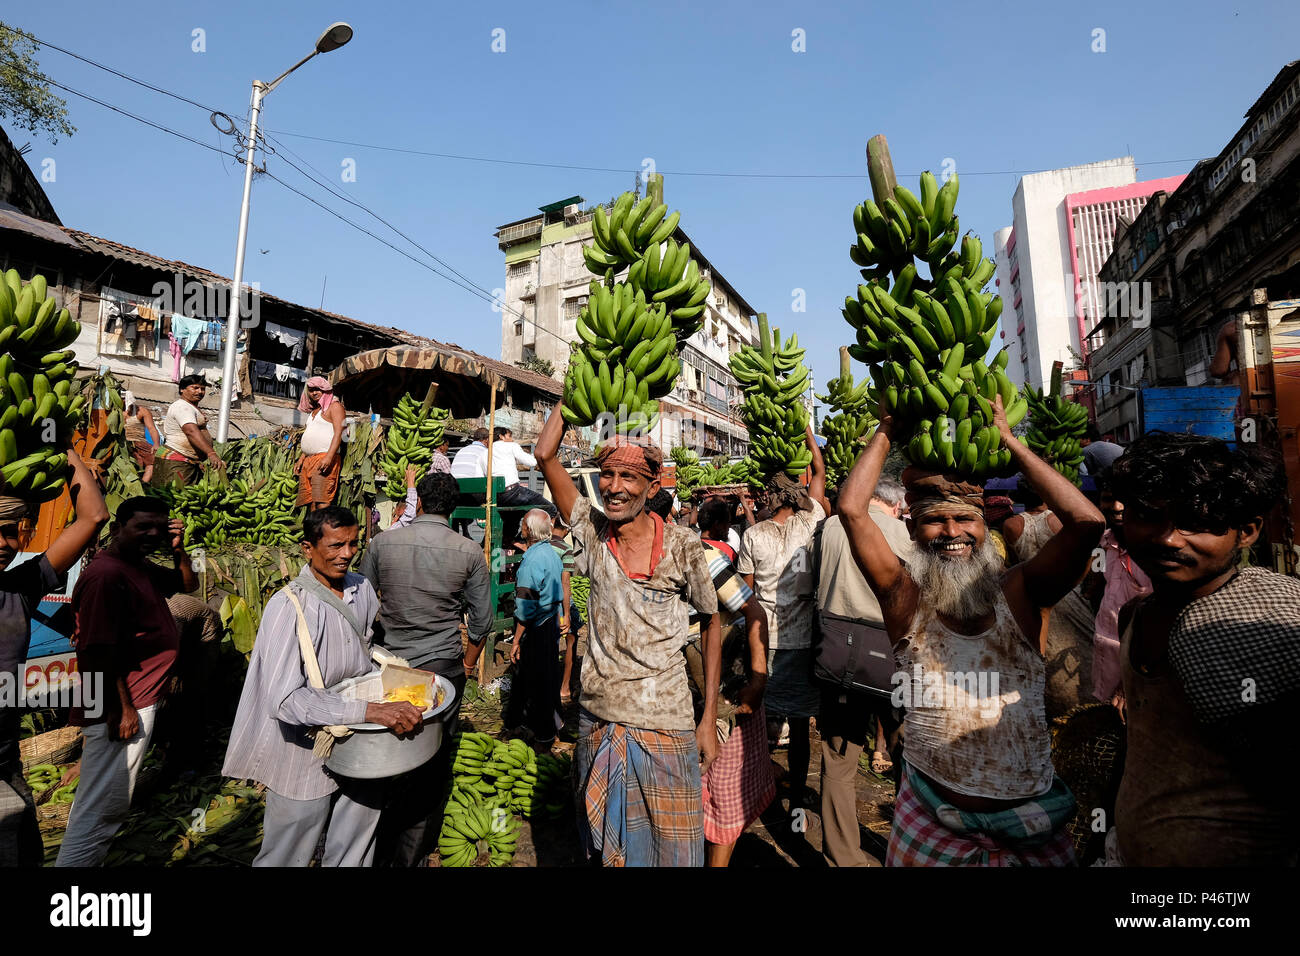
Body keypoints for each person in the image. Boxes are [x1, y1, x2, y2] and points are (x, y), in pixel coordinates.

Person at [837, 395, 1105, 866]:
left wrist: (1010, 442)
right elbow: (852, 511)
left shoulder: (1021, 592)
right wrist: (886, 432)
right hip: (931, 820)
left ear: (986, 528)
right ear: (912, 533)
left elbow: (1088, 523)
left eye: (965, 519)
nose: (951, 532)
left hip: (1031, 825)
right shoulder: (905, 597)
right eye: (934, 521)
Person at [534, 403, 721, 867]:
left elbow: (712, 621)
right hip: (599, 717)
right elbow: (544, 454)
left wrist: (709, 716)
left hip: (667, 719)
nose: (614, 488)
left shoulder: (683, 546)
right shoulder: (594, 533)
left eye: (629, 478)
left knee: (674, 850)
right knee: (603, 849)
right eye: (607, 474)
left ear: (653, 487)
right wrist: (571, 395)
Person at [1110, 433, 1299, 866]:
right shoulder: (1136, 614)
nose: (1168, 539)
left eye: (1194, 522)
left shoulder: (1274, 620)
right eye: (1148, 516)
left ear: (1247, 530)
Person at [223, 507, 421, 867]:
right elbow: (284, 700)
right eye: (334, 545)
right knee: (290, 845)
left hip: (361, 740)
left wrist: (401, 675)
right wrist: (370, 710)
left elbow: (363, 648)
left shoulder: (362, 590)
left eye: (352, 544)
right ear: (307, 548)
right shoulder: (288, 606)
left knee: (357, 834)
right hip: (303, 745)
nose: (346, 554)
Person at [358, 471, 493, 866]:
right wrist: (468, 664)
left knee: (384, 752)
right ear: (452, 507)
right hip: (440, 668)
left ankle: (370, 842)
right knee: (429, 761)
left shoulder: (381, 543)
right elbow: (481, 622)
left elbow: (363, 605)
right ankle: (410, 854)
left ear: (418, 502)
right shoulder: (469, 552)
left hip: (388, 663)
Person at [56, 496, 199, 866]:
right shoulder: (108, 576)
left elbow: (189, 585)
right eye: (142, 527)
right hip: (118, 703)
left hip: (130, 698)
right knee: (100, 808)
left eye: (159, 527)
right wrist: (122, 709)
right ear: (117, 529)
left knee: (104, 800)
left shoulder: (137, 566)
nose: (151, 534)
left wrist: (176, 549)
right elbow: (97, 649)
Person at [0, 451, 108, 867]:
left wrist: (65, 452)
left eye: (11, 533)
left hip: (5, 763)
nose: (3, 544)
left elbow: (92, 517)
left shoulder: (19, 589)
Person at [814, 477, 915, 867]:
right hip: (893, 656)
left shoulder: (829, 528)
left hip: (839, 656)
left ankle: (843, 857)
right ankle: (908, 844)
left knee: (839, 759)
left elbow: (811, 590)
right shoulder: (903, 533)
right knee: (906, 751)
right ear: (891, 504)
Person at [736, 424, 829, 809]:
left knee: (760, 718)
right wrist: (808, 435)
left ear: (769, 499)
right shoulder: (810, 524)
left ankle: (759, 784)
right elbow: (820, 475)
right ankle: (798, 796)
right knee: (802, 725)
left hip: (764, 639)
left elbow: (746, 593)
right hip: (804, 639)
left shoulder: (754, 535)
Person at [691, 496, 773, 867]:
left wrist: (758, 678)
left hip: (723, 689)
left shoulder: (705, 558)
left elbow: (752, 609)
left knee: (722, 782)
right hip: (678, 694)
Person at [1004, 478, 1098, 717]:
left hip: (1028, 593)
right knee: (1079, 650)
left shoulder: (1011, 525)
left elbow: (1013, 564)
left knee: (1040, 650)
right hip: (1067, 593)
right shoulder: (1058, 523)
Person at [1084, 481, 1151, 702]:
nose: (1116, 507)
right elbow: (1097, 576)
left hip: (1138, 653)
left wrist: (1127, 678)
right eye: (1107, 498)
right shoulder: (1104, 540)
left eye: (1124, 500)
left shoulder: (1152, 548)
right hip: (1105, 642)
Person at [506, 509, 565, 749]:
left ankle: (544, 736)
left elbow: (526, 606)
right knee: (545, 677)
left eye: (523, 524)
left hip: (536, 626)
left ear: (528, 529)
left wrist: (516, 640)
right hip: (550, 622)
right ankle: (541, 724)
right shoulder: (552, 554)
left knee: (537, 682)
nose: (522, 527)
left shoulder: (532, 559)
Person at [159, 375, 223, 486]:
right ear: (182, 389)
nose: (200, 392)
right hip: (177, 459)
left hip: (188, 461)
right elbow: (191, 431)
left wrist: (201, 459)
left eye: (202, 389)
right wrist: (211, 453)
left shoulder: (190, 407)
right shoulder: (182, 407)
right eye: (195, 388)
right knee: (175, 497)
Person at [296, 376, 346, 511]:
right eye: (311, 390)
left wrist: (329, 457)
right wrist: (302, 457)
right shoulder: (316, 411)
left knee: (322, 500)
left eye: (318, 389)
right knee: (311, 501)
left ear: (325, 390)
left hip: (324, 458)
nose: (314, 393)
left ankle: (322, 531)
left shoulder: (335, 407)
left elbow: (339, 433)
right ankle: (314, 530)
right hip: (309, 460)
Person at [549, 514, 579, 705]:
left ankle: (548, 685)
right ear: (567, 530)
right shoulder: (566, 549)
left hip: (543, 602)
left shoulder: (540, 545)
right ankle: (564, 687)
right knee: (571, 638)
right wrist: (567, 613)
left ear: (552, 524)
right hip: (560, 602)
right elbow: (565, 583)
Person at [121, 391, 159, 484]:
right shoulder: (112, 412)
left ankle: (144, 483)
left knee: (154, 461)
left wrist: (156, 444)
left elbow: (151, 428)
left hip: (139, 442)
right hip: (122, 444)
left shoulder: (141, 411)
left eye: (124, 399)